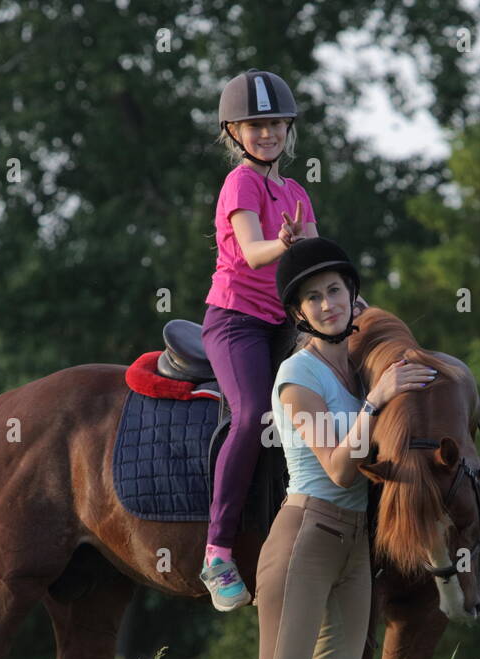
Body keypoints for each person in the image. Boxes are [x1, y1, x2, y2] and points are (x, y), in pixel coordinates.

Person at [249, 237, 436, 659]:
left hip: (356, 544)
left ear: (354, 296)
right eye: (314, 297)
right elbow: (338, 467)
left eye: (335, 291)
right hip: (306, 535)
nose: (328, 304)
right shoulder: (297, 374)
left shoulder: (355, 372)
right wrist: (375, 403)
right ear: (298, 311)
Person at [197, 68, 320, 611]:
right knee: (251, 415)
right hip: (236, 319)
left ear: (287, 128)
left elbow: (312, 263)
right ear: (235, 133)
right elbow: (251, 252)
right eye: (255, 125)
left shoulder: (296, 192)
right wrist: (284, 241)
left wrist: (347, 298)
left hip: (285, 320)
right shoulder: (240, 182)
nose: (267, 134)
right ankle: (218, 553)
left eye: (274, 124)